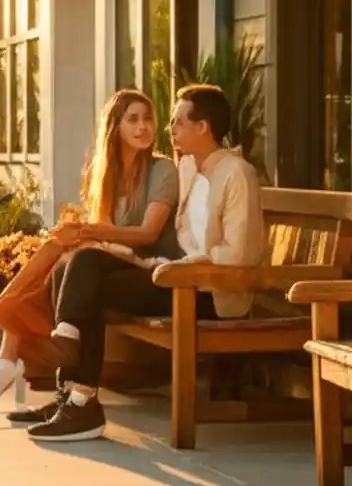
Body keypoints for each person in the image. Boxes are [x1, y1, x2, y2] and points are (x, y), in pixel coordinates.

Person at [25, 83, 266, 442]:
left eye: (178, 121)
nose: (170, 129)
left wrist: (178, 266)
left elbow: (238, 255)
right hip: (172, 276)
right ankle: (73, 395)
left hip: (207, 292)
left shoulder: (236, 174)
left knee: (91, 284)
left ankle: (79, 397)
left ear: (203, 127)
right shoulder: (187, 169)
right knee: (78, 263)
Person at [0, 89, 181, 405]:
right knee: (59, 258)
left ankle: (27, 353)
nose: (143, 127)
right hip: (120, 266)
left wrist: (85, 230)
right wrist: (78, 235)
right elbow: (108, 240)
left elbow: (148, 234)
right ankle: (40, 373)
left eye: (148, 119)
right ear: (115, 127)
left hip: (156, 272)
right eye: (133, 119)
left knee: (76, 265)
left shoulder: (162, 170)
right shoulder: (106, 175)